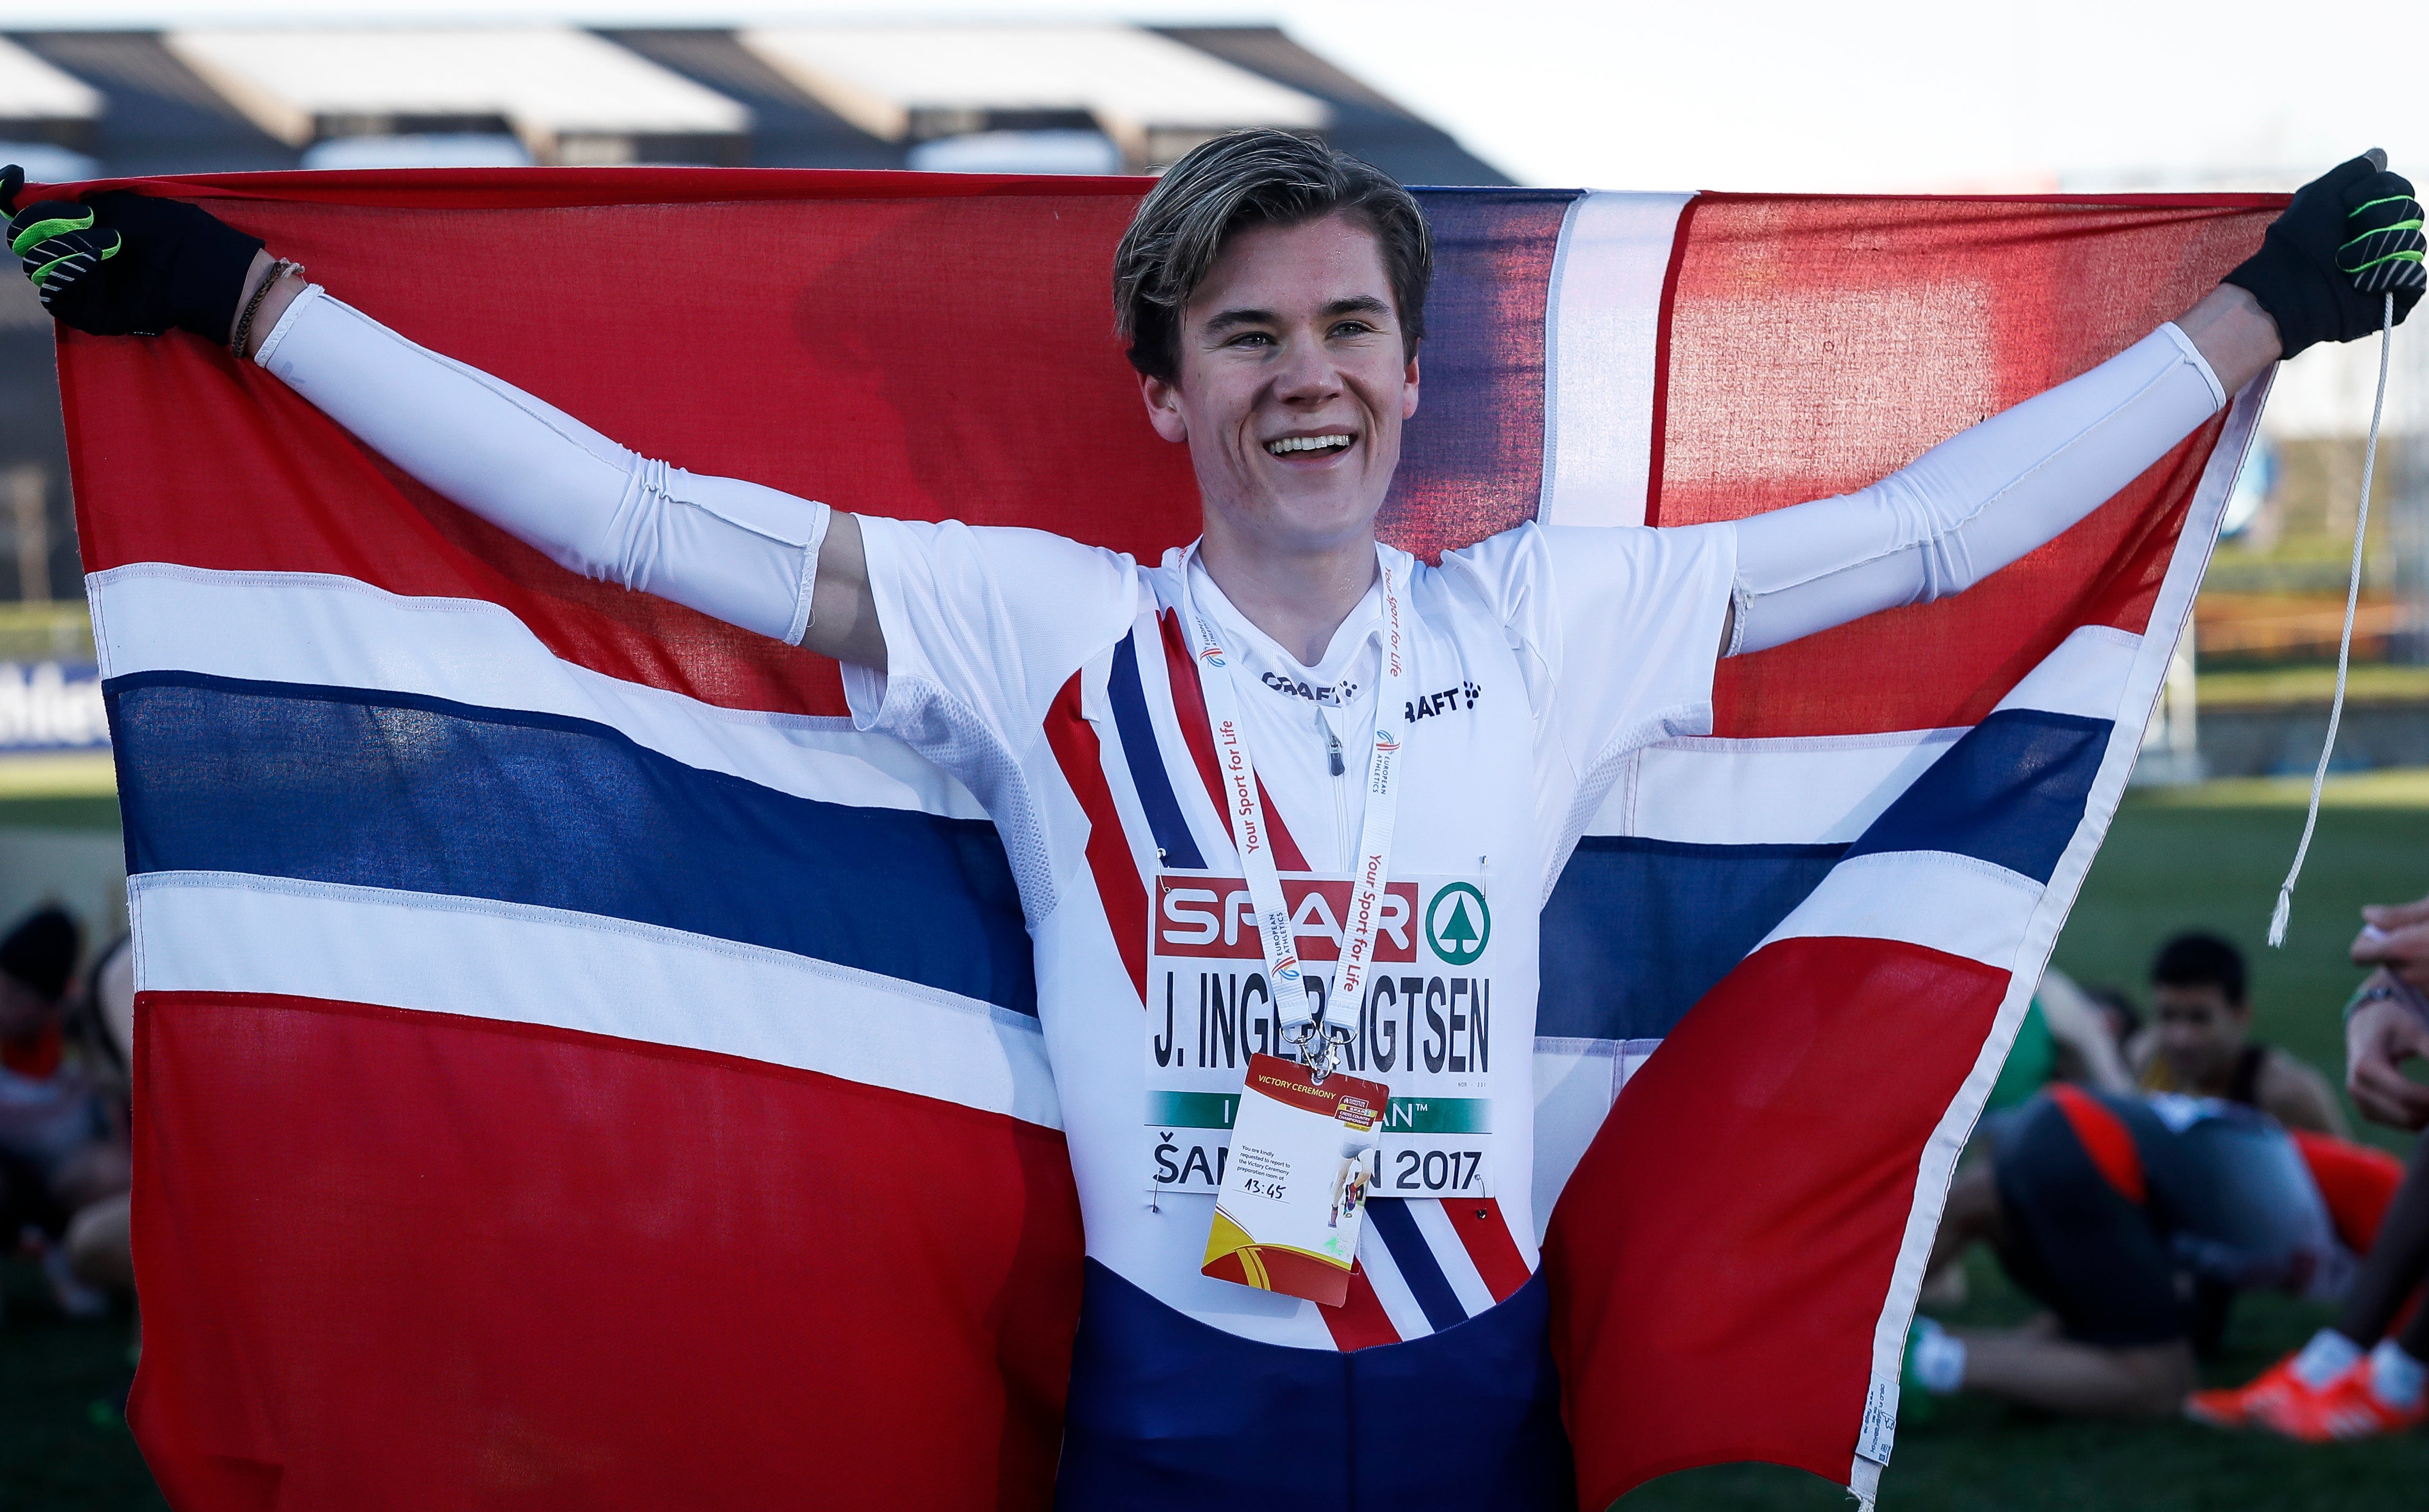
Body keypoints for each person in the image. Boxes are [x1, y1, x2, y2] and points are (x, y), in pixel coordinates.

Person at [10, 135, 2418, 1501]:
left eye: (1348, 329)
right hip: (1171, 1397)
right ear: (1160, 386)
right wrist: (251, 310)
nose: (1306, 377)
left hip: (1478, 1373)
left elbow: (1919, 533)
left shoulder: (1552, 615)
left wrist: (2251, 319)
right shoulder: (1031, 628)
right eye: (1245, 335)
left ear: (1406, 369)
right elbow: (630, 523)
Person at [1907, 1083, 2393, 1419]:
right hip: (2094, 1151)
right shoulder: (2394, 1197)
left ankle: (1859, 1326)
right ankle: (1927, 1358)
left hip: (2061, 1125)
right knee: (2159, 1380)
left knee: (2108, 1329)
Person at [2186, 891, 2429, 1440]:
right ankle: (2339, 1362)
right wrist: (2384, 992)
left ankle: (2397, 1377)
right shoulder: (2147, 1060)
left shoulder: (2281, 1085)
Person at [0, 905, 125, 1318]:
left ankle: (69, 1259)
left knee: (115, 1169)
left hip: (63, 1181)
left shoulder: (80, 1047)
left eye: (17, 994)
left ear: (49, 1001)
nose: (4, 1002)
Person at [2130, 930, 2346, 1135]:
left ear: (2241, 1015)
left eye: (2200, 1019)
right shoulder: (2145, 1060)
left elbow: (2346, 1171)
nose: (2181, 1039)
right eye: (2168, 1016)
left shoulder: (2286, 1095)